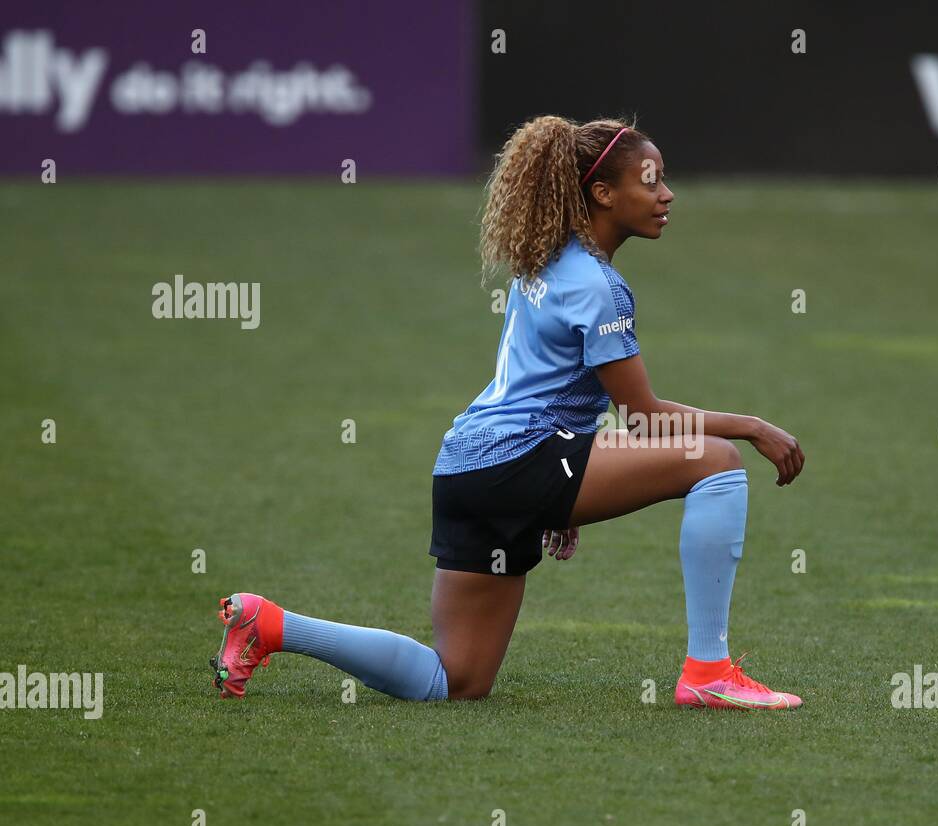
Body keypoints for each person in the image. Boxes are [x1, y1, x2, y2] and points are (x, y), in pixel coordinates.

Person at [210, 116, 806, 710]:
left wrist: (560, 487)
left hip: (466, 468)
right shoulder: (600, 286)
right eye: (651, 181)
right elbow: (643, 417)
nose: (666, 194)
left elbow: (547, 385)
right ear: (603, 194)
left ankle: (272, 626)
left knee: (456, 681)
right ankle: (708, 671)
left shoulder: (545, 258)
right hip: (522, 463)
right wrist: (751, 426)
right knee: (719, 461)